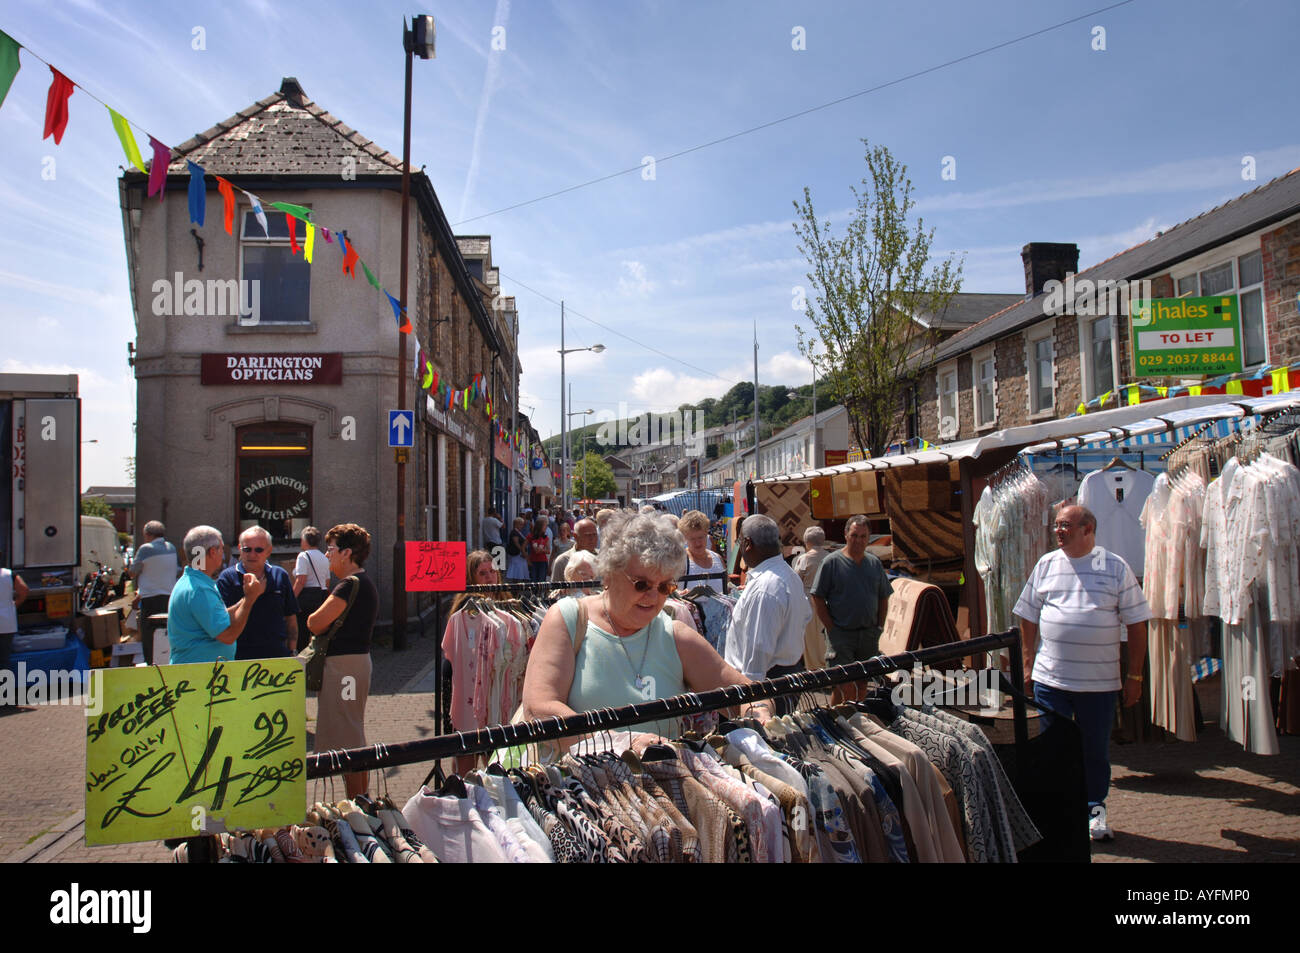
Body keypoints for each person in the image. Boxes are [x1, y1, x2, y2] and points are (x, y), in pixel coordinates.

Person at [522, 511, 773, 741]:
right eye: (641, 584)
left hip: (660, 784)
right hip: (577, 784)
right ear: (609, 574)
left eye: (665, 587)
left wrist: (760, 710)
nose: (653, 597)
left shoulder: (675, 635)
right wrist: (625, 744)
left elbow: (745, 694)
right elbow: (540, 707)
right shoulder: (569, 620)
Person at [1014, 504, 1150, 842]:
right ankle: (1059, 814)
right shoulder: (1046, 564)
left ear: (1088, 529)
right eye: (1057, 526)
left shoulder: (1115, 567)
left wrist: (1135, 675)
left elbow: (1137, 624)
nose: (1059, 531)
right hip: (1052, 681)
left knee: (1094, 752)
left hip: (1099, 684)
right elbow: (1027, 613)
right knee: (1053, 750)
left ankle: (1095, 813)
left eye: (1066, 526)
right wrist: (1028, 661)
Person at [306, 523, 379, 799]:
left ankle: (359, 799)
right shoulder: (363, 583)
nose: (327, 555)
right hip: (354, 664)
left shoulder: (349, 585)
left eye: (331, 549)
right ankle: (359, 797)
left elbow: (314, 623)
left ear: (347, 553)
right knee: (350, 730)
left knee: (348, 733)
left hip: (345, 668)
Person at [724, 515, 811, 714]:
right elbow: (806, 616)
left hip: (765, 688)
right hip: (784, 678)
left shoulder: (766, 587)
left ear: (747, 543)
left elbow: (758, 650)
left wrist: (751, 701)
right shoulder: (788, 577)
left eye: (739, 541)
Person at [810, 514, 891, 703]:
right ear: (846, 535)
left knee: (862, 683)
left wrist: (879, 626)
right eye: (854, 535)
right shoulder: (832, 562)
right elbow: (818, 596)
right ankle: (837, 721)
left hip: (868, 635)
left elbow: (883, 596)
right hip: (841, 636)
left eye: (863, 536)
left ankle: (855, 719)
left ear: (868, 538)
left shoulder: (874, 564)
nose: (858, 541)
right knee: (843, 684)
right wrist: (831, 628)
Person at [167, 526, 264, 664]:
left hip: (197, 673)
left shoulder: (194, 581)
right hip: (198, 675)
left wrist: (246, 598)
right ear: (213, 552)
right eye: (221, 549)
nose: (223, 555)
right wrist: (249, 599)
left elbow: (220, 616)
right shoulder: (200, 590)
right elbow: (228, 635)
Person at [216, 526, 300, 658]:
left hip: (277, 656)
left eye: (258, 550)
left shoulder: (280, 575)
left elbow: (291, 618)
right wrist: (250, 597)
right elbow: (221, 619)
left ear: (269, 551)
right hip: (239, 658)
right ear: (240, 549)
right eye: (247, 549)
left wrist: (293, 651)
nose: (252, 554)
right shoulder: (227, 578)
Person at [128, 520, 179, 666]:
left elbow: (132, 572)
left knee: (149, 635)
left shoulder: (145, 549)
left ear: (148, 535)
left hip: (150, 599)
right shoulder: (171, 548)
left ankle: (151, 664)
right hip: (169, 596)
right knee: (166, 632)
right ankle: (167, 661)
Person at [792, 525, 831, 672]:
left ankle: (813, 667)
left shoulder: (804, 559)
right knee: (825, 635)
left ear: (807, 542)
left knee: (810, 637)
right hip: (828, 600)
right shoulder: (830, 557)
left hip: (808, 601)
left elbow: (796, 580)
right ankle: (827, 664)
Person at [292, 526, 332, 643]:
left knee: (302, 630)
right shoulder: (324, 558)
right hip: (322, 595)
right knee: (318, 630)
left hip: (306, 597)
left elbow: (301, 580)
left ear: (305, 540)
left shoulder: (303, 556)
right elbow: (327, 581)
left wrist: (291, 599)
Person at [679, 509, 725, 594]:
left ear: (707, 534)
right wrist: (677, 593)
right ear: (685, 538)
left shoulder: (718, 559)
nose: (698, 543)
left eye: (701, 537)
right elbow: (667, 590)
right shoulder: (680, 561)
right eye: (692, 539)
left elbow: (727, 586)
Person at [0, 562, 29, 699]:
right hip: (6, 623)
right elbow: (23, 590)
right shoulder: (9, 574)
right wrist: (14, 605)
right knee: (4, 661)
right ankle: (5, 696)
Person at [550, 518, 598, 582]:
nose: (592, 539)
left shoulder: (603, 558)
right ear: (576, 537)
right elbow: (554, 589)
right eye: (587, 535)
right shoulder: (563, 561)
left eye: (594, 535)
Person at [526, 517, 552, 582]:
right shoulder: (530, 536)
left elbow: (548, 551)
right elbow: (523, 548)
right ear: (540, 526)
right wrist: (527, 559)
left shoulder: (545, 537)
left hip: (542, 562)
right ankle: (534, 592)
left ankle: (540, 592)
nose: (546, 528)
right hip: (533, 561)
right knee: (533, 580)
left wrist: (541, 550)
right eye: (545, 526)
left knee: (541, 580)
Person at [505, 517, 530, 581]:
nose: (522, 526)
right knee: (517, 570)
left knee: (520, 569)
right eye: (521, 524)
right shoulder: (514, 532)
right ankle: (516, 582)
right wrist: (522, 551)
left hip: (519, 554)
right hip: (517, 554)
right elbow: (516, 543)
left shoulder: (518, 532)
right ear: (516, 524)